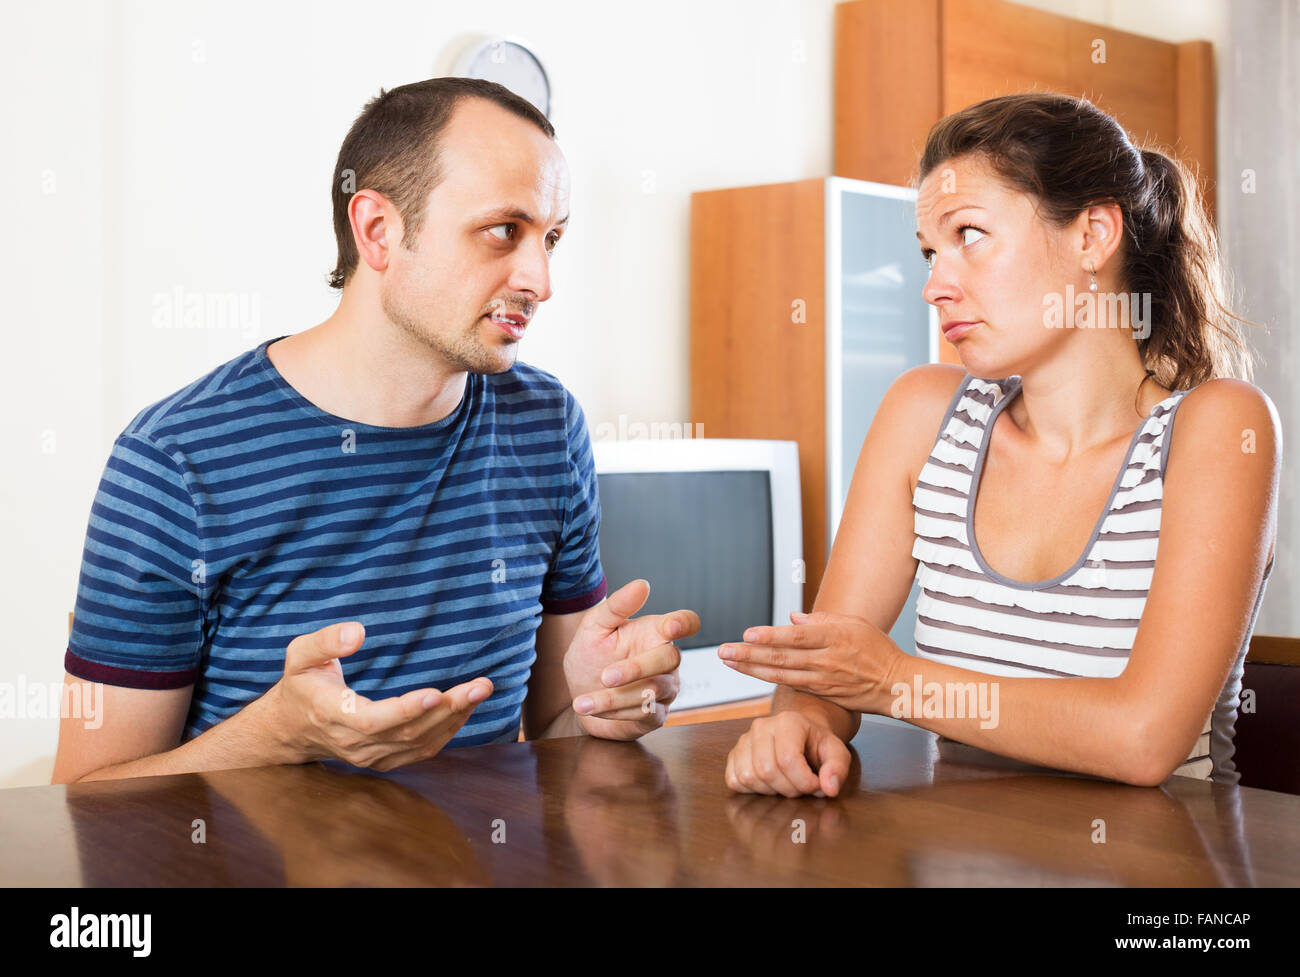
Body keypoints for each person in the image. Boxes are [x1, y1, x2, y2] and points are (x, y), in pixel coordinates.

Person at [53, 77, 698, 783]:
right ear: (378, 230)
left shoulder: (547, 427)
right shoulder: (173, 464)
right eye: (504, 231)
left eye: (551, 238)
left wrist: (605, 707)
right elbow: (83, 803)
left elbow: (552, 728)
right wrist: (275, 734)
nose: (541, 279)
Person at [720, 92, 1279, 796]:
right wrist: (798, 724)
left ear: (1092, 236)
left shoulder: (1219, 429)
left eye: (970, 236)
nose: (933, 285)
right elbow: (832, 671)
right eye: (929, 252)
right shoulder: (922, 415)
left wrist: (892, 679)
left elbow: (1143, 739)